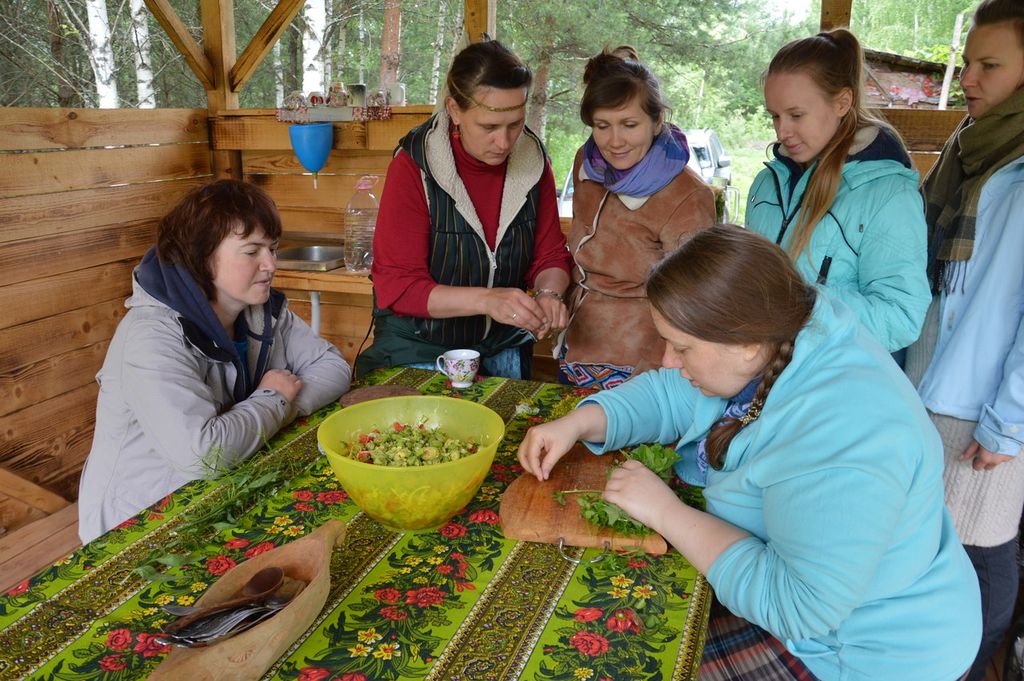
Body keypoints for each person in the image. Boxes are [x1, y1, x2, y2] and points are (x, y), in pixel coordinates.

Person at [519, 225, 981, 681]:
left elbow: (795, 607)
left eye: (681, 347)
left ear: (746, 346)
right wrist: (579, 421)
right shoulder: (776, 335)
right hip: (817, 618)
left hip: (863, 654)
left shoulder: (844, 433)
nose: (667, 360)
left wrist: (666, 513)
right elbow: (671, 395)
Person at [78, 180, 351, 543]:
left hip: (222, 495)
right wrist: (273, 399)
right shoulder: (150, 337)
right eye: (252, 251)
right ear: (201, 257)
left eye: (272, 248)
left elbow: (335, 368)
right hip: (141, 524)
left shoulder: (263, 309)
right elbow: (204, 455)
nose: (271, 264)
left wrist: (279, 403)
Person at [904, 1, 1024, 677]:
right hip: (929, 382)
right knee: (936, 553)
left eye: (990, 65)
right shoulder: (965, 148)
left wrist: (1009, 422)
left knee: (981, 559)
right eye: (968, 62)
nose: (969, 78)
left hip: (984, 403)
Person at [355, 39, 573, 380]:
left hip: (502, 346)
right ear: (455, 110)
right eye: (488, 127)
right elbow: (399, 286)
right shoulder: (416, 165)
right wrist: (487, 300)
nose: (504, 143)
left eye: (515, 124)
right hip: (419, 347)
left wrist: (549, 293)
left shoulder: (533, 161)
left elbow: (549, 257)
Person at [745, 29, 930, 356]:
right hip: (764, 379)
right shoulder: (766, 183)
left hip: (837, 387)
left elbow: (900, 317)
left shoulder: (886, 195)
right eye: (775, 116)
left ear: (843, 102)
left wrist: (802, 304)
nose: (781, 131)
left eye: (796, 115)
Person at [556, 46, 716, 389]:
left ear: (657, 121)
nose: (614, 142)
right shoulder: (587, 162)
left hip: (643, 362)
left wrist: (657, 366)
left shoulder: (687, 195)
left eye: (629, 125)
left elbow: (692, 298)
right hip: (577, 346)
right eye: (602, 126)